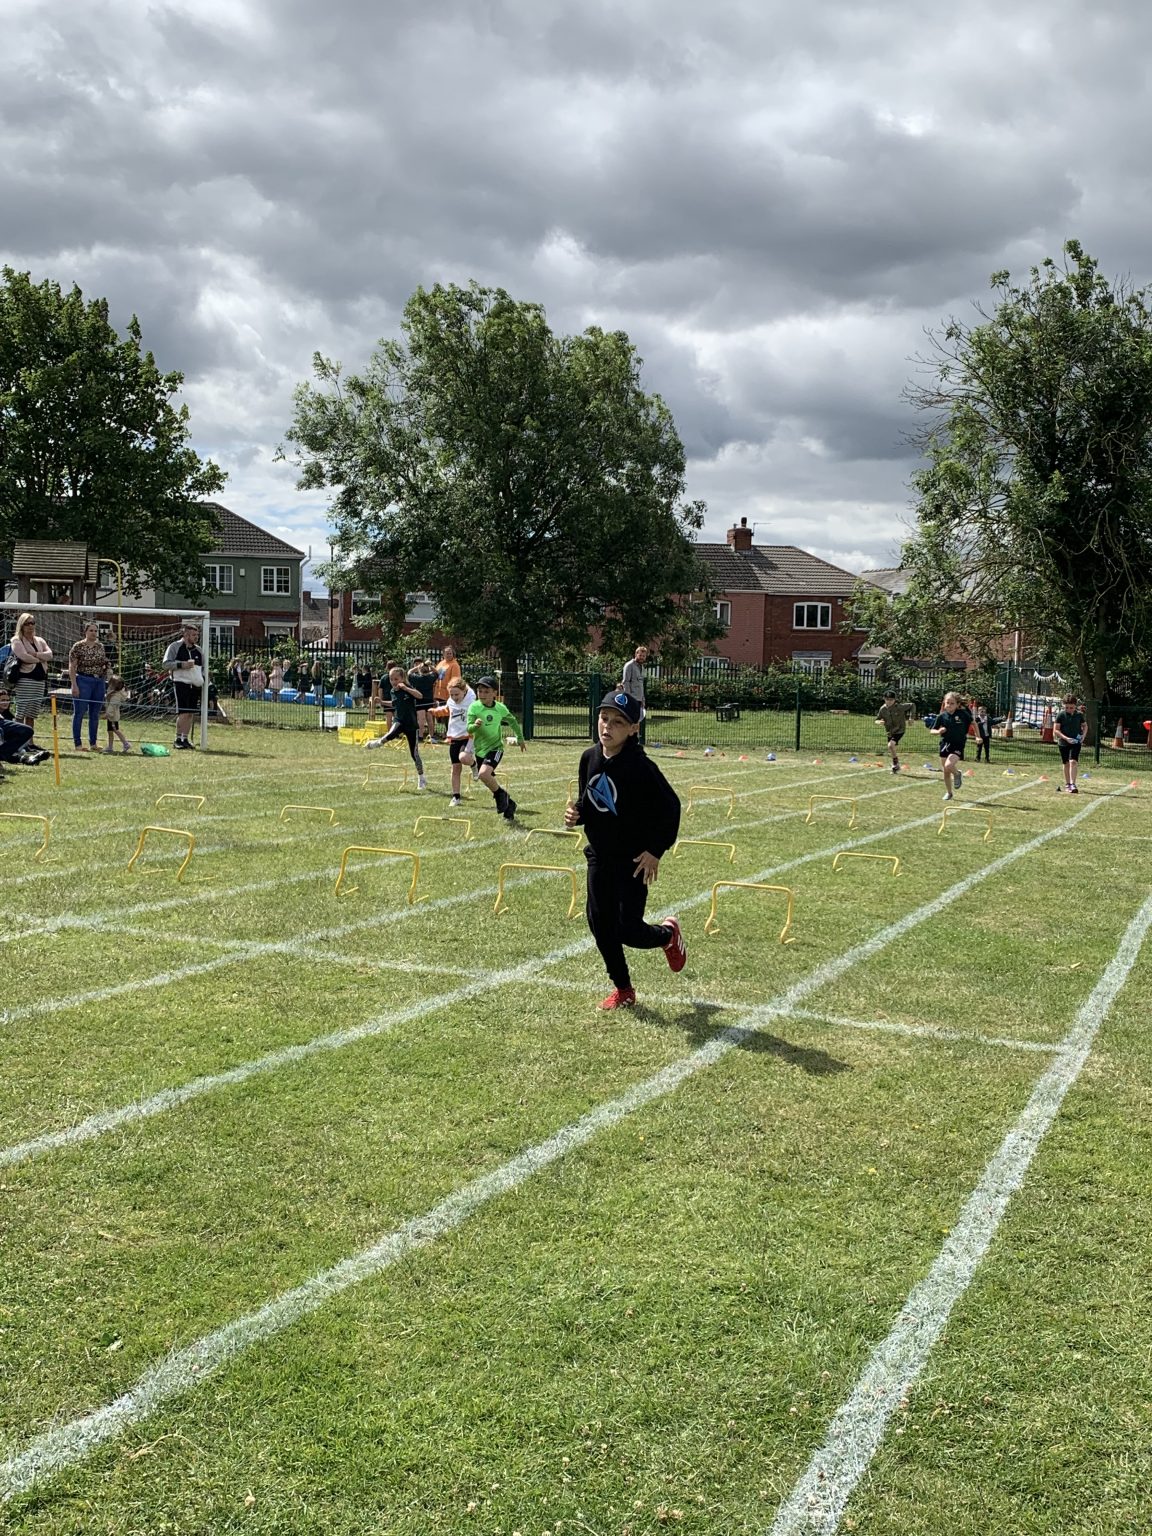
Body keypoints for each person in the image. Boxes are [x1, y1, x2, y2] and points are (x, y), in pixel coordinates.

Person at [564, 689, 686, 1011]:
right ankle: (624, 989)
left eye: (618, 722)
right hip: (600, 856)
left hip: (633, 861)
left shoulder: (642, 768)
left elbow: (671, 808)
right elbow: (591, 801)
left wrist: (655, 851)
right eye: (604, 719)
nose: (608, 727)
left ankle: (667, 934)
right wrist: (577, 814)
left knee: (627, 929)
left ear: (634, 729)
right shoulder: (589, 758)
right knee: (599, 923)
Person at [466, 676, 526, 820]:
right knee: (486, 778)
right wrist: (475, 725)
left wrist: (520, 738)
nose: (482, 694)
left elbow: (512, 721)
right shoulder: (474, 707)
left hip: (495, 748)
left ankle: (502, 796)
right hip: (480, 750)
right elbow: (469, 728)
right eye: (480, 691)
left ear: (495, 693)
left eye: (486, 691)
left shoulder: (500, 708)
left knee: (483, 774)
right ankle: (508, 803)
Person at [364, 665, 428, 788]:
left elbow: (419, 696)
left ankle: (421, 778)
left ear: (402, 679)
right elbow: (394, 703)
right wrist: (382, 702)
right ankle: (378, 743)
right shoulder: (393, 691)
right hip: (399, 720)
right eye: (391, 679)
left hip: (411, 725)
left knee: (414, 754)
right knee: (391, 733)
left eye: (396, 679)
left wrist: (406, 688)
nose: (393, 682)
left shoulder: (407, 688)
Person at [431, 677, 476, 806]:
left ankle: (473, 764)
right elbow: (447, 710)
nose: (454, 697)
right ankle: (456, 796)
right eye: (452, 694)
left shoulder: (471, 700)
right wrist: (435, 711)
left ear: (464, 691)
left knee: (463, 758)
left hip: (468, 736)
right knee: (455, 768)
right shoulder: (451, 700)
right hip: (454, 737)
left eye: (457, 694)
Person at [67, 620, 110, 753]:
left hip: (99, 681)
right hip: (83, 680)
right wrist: (74, 684)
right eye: (91, 630)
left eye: (95, 631)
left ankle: (93, 742)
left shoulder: (100, 646)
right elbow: (72, 666)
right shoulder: (78, 646)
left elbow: (104, 662)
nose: (93, 633)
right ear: (85, 632)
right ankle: (78, 743)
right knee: (80, 712)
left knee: (95, 713)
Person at [162, 622, 205, 750]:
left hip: (195, 684)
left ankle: (185, 739)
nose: (196, 637)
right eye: (193, 635)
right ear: (186, 635)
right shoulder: (175, 647)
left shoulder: (198, 650)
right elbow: (166, 664)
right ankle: (177, 739)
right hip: (181, 683)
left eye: (197, 635)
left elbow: (202, 667)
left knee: (190, 713)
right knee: (183, 712)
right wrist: (182, 665)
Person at [9, 612, 52, 732]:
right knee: (21, 711)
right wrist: (40, 659)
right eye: (27, 623)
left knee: (32, 713)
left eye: (33, 623)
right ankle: (18, 738)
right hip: (25, 680)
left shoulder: (40, 640)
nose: (30, 626)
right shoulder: (17, 640)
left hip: (40, 680)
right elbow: (24, 656)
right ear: (21, 625)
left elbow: (49, 655)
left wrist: (36, 654)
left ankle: (29, 741)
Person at [929, 690, 973, 801]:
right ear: (944, 703)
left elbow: (974, 723)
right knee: (946, 771)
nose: (949, 705)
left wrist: (978, 736)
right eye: (947, 703)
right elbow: (932, 731)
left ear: (958, 704)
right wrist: (939, 731)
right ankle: (949, 793)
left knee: (949, 765)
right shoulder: (942, 716)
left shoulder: (963, 714)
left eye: (952, 703)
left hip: (958, 745)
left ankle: (957, 774)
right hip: (945, 745)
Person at [0, 686, 45, 763]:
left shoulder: (8, 716)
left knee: (27, 731)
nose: (5, 702)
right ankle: (26, 760)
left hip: (6, 742)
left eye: (7, 700)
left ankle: (24, 758)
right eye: (2, 700)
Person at [874, 688, 912, 775]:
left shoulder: (899, 707)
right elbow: (876, 719)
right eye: (887, 699)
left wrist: (911, 717)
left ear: (895, 700)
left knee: (891, 745)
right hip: (889, 731)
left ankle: (895, 764)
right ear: (884, 699)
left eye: (891, 700)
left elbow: (912, 705)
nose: (889, 701)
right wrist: (879, 722)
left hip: (900, 729)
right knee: (891, 748)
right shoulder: (882, 709)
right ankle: (896, 764)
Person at [1054, 692, 1086, 793]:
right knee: (1066, 763)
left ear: (1075, 706)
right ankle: (1067, 784)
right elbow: (1056, 730)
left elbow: (1085, 726)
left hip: (1076, 742)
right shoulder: (1061, 715)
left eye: (1071, 708)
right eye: (1067, 707)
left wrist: (1083, 737)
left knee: (1073, 762)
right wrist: (1066, 738)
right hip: (1063, 742)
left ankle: (1073, 784)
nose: (1069, 710)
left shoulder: (1079, 715)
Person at [433, 645, 462, 735]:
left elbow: (455, 681)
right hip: (438, 693)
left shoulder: (455, 665)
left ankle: (449, 732)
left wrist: (452, 693)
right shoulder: (441, 663)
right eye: (447, 653)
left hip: (448, 694)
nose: (448, 655)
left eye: (450, 653)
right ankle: (440, 732)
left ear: (453, 654)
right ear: (443, 654)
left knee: (447, 714)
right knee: (439, 714)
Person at [102, 674, 132, 753]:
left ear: (114, 685)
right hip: (111, 717)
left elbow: (112, 707)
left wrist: (107, 714)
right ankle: (110, 747)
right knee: (110, 731)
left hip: (113, 717)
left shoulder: (116, 696)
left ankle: (126, 744)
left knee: (116, 730)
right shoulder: (112, 691)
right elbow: (109, 675)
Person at [621, 645, 649, 719]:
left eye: (643, 656)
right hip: (632, 699)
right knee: (630, 720)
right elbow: (625, 682)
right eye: (640, 655)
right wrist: (629, 698)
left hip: (639, 699)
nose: (642, 657)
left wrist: (643, 699)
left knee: (637, 721)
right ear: (636, 654)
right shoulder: (629, 665)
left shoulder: (642, 667)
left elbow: (641, 684)